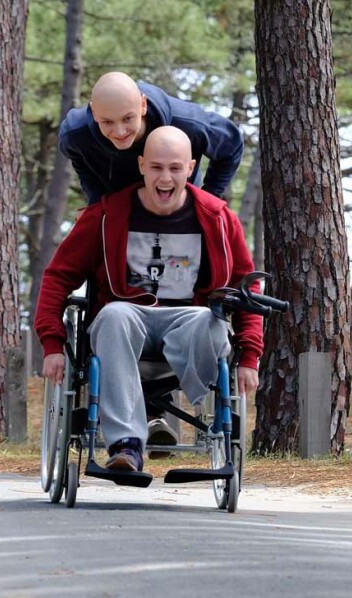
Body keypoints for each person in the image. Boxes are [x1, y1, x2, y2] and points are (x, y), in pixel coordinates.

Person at [35, 127, 263, 473]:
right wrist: (52, 343)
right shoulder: (107, 216)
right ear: (141, 165)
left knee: (211, 320)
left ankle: (192, 414)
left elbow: (246, 289)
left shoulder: (218, 218)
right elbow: (58, 277)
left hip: (189, 321)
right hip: (128, 320)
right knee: (114, 315)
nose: (165, 177)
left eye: (174, 168)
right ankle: (127, 445)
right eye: (156, 167)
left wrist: (249, 355)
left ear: (190, 168)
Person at [59, 72, 244, 204]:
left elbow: (232, 145)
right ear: (94, 112)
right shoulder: (76, 133)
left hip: (179, 211)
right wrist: (96, 202)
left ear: (143, 105)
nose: (120, 131)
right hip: (121, 214)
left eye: (128, 118)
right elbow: (77, 156)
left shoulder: (188, 122)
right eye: (107, 122)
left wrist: (207, 200)